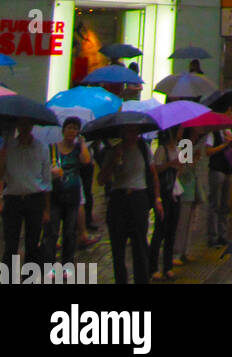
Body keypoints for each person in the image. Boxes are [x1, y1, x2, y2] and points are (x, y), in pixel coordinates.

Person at [99, 124, 162, 285]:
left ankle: (142, 278)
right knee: (118, 245)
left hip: (138, 197)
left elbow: (153, 173)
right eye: (128, 132)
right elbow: (101, 179)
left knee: (140, 243)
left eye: (135, 131)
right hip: (118, 198)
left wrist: (157, 198)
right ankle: (121, 279)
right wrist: (114, 160)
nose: (132, 135)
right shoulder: (113, 151)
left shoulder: (144, 149)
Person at [0, 116, 51, 264]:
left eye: (27, 124)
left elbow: (46, 180)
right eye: (21, 124)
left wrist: (46, 209)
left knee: (32, 243)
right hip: (13, 199)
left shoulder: (41, 147)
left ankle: (30, 277)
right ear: (17, 126)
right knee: (10, 244)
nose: (24, 127)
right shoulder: (8, 147)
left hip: (34, 198)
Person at [45, 116, 90, 263]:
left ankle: (67, 264)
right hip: (55, 195)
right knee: (52, 231)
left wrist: (82, 143)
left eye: (75, 128)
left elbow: (86, 161)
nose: (72, 131)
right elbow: (44, 170)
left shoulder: (78, 149)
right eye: (69, 128)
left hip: (72, 195)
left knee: (70, 232)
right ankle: (49, 263)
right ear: (63, 130)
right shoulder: (52, 148)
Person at [148, 128, 181, 280]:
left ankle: (168, 267)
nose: (181, 132)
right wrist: (170, 164)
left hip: (175, 191)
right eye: (179, 129)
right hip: (164, 192)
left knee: (171, 231)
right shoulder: (161, 149)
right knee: (160, 229)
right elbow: (155, 169)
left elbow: (182, 169)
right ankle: (153, 267)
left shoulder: (180, 147)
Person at [172, 127, 207, 265]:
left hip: (191, 189)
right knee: (182, 223)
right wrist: (193, 160)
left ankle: (185, 251)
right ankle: (177, 253)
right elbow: (183, 169)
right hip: (184, 190)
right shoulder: (185, 144)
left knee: (189, 222)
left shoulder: (191, 145)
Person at [206, 125, 232, 248]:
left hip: (228, 170)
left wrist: (231, 141)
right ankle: (213, 236)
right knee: (215, 203)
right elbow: (208, 151)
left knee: (225, 204)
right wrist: (223, 145)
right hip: (216, 170)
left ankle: (223, 234)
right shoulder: (213, 132)